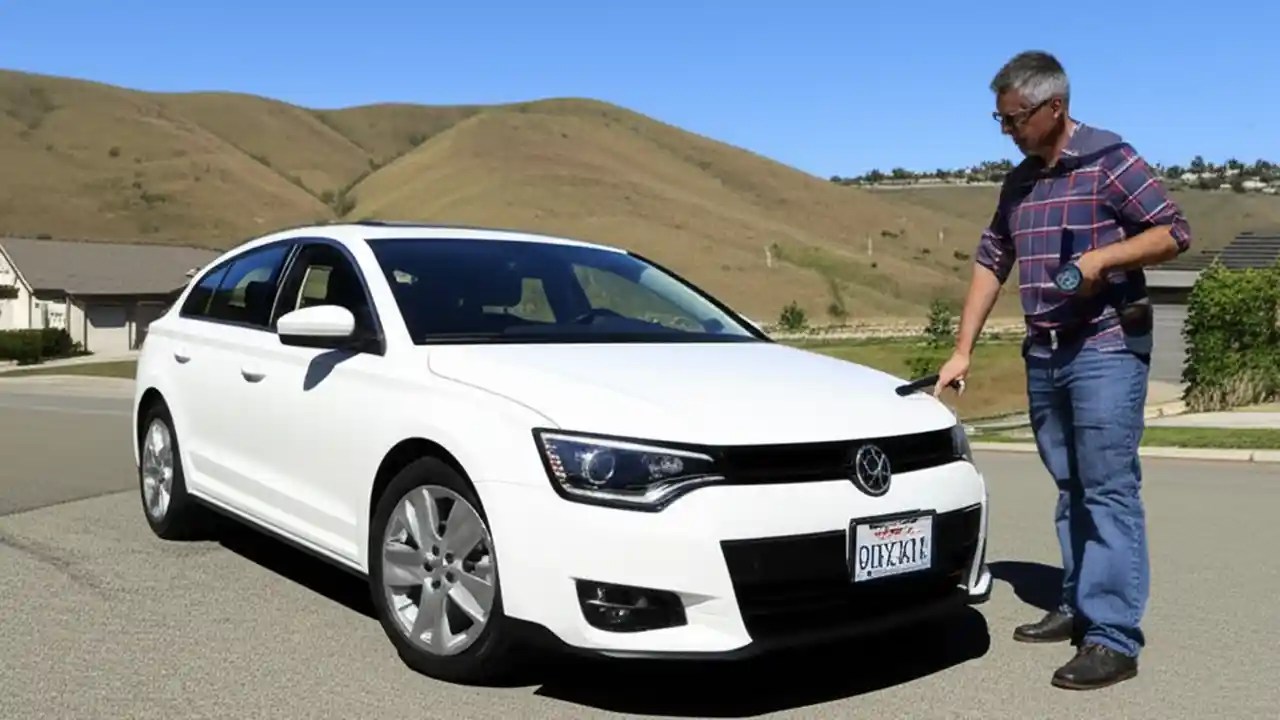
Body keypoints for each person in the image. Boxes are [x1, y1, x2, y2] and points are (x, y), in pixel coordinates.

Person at [934, 50, 1192, 690]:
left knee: (1108, 487)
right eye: (999, 120)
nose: (1007, 130)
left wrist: (1105, 257)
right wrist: (963, 348)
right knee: (1071, 484)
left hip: (1104, 345)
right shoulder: (1019, 182)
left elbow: (1173, 232)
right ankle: (1078, 603)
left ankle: (1112, 637)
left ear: (1054, 107)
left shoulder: (1111, 161)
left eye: (1014, 118)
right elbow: (993, 259)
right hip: (1044, 350)